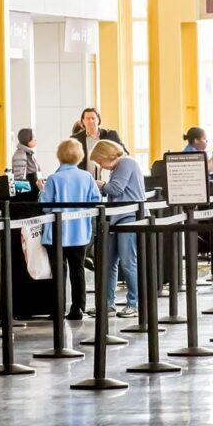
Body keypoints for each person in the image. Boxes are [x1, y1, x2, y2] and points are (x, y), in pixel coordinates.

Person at [39, 140, 102, 321]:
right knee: (78, 270)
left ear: (59, 156)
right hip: (80, 232)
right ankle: (78, 308)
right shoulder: (87, 177)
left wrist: (40, 190)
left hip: (57, 234)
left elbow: (45, 207)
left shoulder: (53, 179)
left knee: (58, 271)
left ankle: (57, 308)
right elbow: (95, 200)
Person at [90, 139, 144, 317]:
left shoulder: (126, 163)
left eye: (100, 161)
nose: (101, 165)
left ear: (106, 155)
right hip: (117, 219)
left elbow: (116, 189)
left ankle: (134, 303)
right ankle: (107, 304)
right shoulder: (121, 166)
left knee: (128, 263)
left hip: (127, 218)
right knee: (109, 263)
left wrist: (101, 185)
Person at [73, 107, 127, 171]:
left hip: (107, 178)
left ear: (98, 119)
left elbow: (125, 154)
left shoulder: (111, 135)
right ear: (83, 121)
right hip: (84, 178)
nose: (91, 121)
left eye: (93, 118)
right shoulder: (75, 139)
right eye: (88, 119)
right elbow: (70, 161)